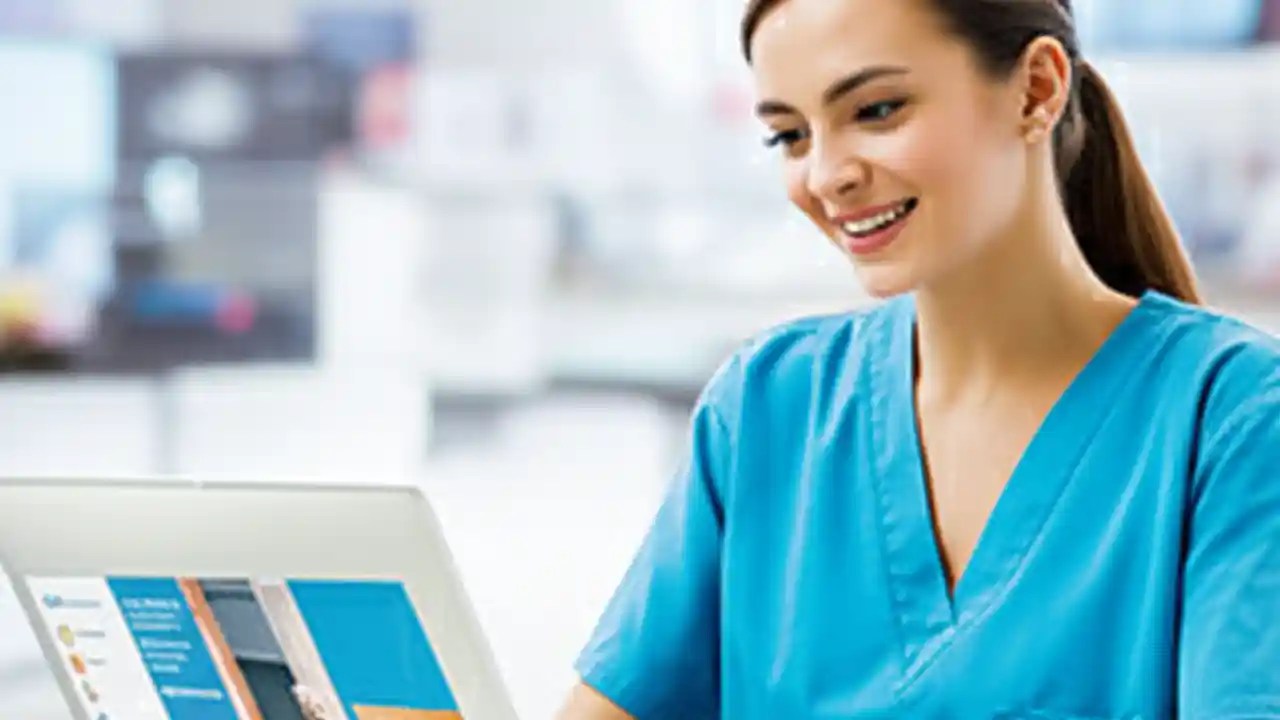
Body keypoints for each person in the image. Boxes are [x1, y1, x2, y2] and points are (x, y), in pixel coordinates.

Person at [556, 0, 1280, 717]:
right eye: (791, 136)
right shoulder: (766, 410)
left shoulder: (1233, 420)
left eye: (876, 111)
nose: (827, 176)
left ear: (1037, 90)